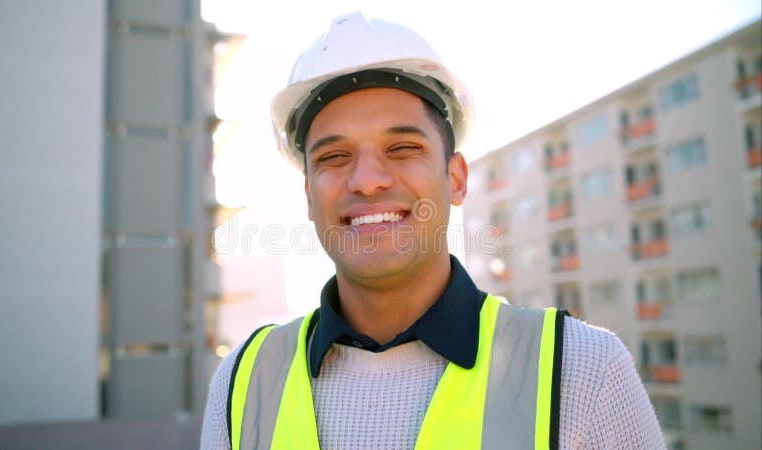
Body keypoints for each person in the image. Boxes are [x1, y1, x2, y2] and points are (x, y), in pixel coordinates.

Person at [201, 11, 665, 450]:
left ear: (457, 179)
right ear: (308, 195)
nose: (366, 180)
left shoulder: (584, 371)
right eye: (333, 157)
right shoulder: (243, 380)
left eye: (402, 148)